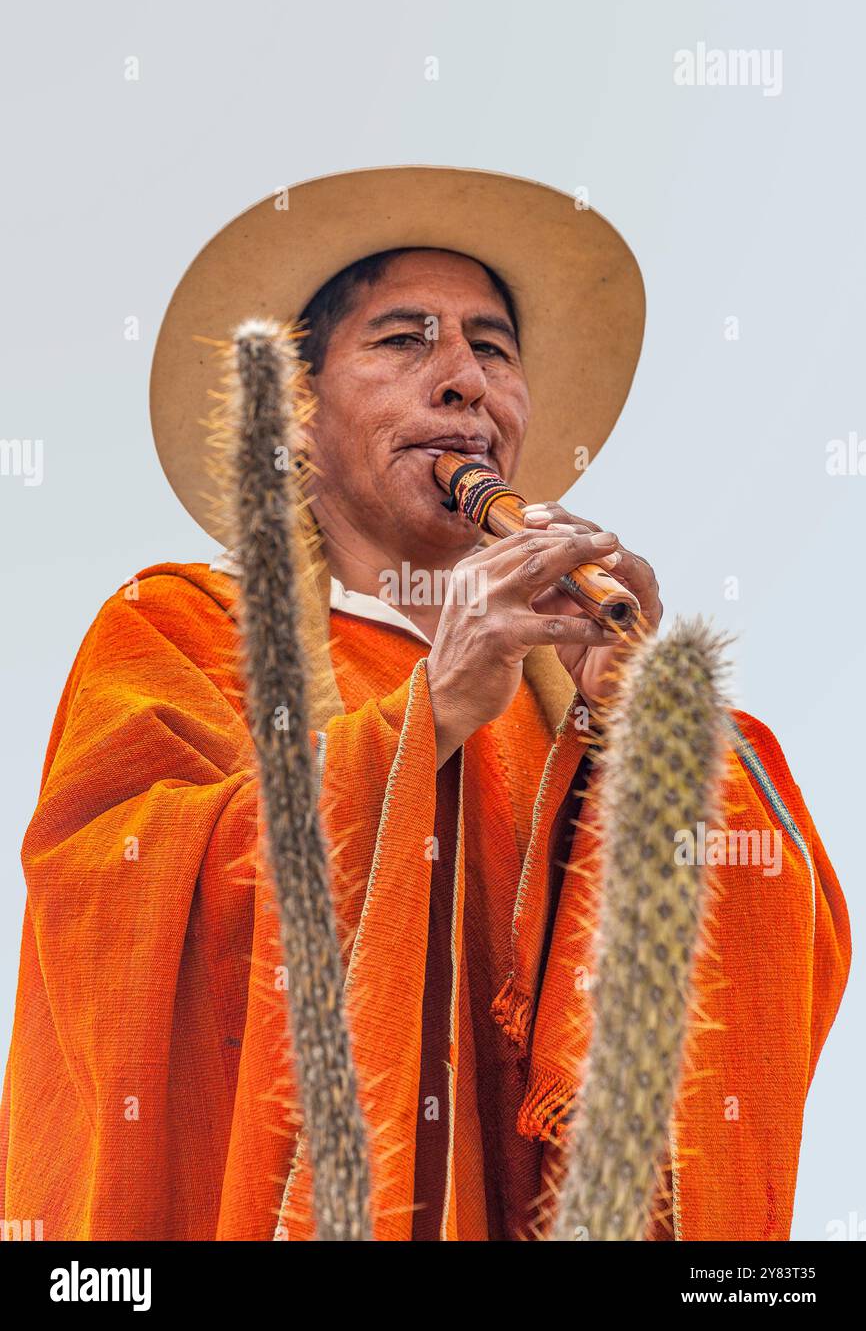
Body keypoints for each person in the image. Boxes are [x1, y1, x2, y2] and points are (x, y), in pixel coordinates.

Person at [0, 167, 850, 1241]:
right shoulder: (176, 629)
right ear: (299, 418)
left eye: (491, 348)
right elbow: (110, 928)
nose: (464, 382)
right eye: (405, 340)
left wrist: (642, 742)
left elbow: (777, 940)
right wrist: (423, 722)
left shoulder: (566, 695)